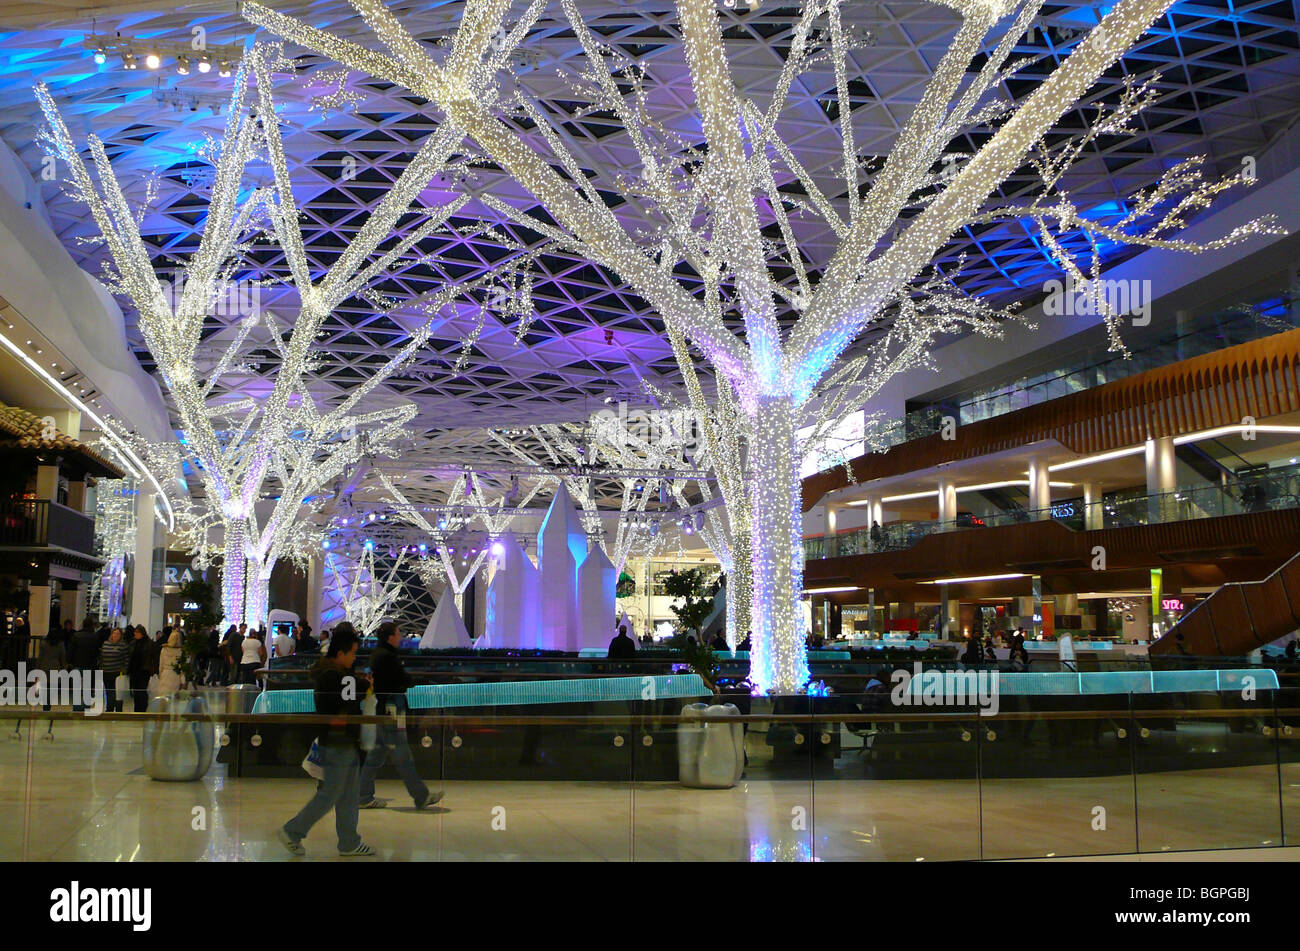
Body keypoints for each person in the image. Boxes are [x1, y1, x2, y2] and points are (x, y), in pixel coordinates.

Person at [278, 622, 375, 857]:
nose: (354, 658)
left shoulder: (331, 672)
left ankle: (349, 841)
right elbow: (348, 700)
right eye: (352, 653)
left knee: (348, 793)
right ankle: (293, 831)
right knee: (330, 793)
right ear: (340, 653)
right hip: (338, 741)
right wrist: (363, 684)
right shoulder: (335, 675)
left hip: (341, 741)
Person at [359, 621, 439, 810]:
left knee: (376, 754)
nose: (400, 637)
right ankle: (421, 796)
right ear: (390, 636)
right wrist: (411, 681)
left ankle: (363, 795)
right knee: (402, 753)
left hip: (384, 708)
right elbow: (399, 679)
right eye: (397, 633)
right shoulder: (387, 656)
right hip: (391, 708)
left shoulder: (379, 654)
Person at [68, 620, 102, 712]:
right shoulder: (95, 637)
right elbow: (96, 652)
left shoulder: (76, 636)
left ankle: (77, 707)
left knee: (77, 688)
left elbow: (71, 651)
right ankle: (86, 706)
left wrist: (70, 662)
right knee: (87, 688)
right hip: (90, 665)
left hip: (77, 664)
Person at [98, 628, 129, 713]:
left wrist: (124, 669)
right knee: (109, 691)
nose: (115, 635)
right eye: (114, 633)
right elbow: (101, 657)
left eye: (118, 634)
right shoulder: (106, 643)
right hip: (106, 671)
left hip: (117, 672)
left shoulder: (123, 645)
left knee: (117, 692)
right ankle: (109, 708)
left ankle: (118, 709)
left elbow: (126, 659)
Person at [127, 626, 152, 712]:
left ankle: (143, 709)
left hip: (144, 671)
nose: (135, 634)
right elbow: (129, 656)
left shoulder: (148, 643)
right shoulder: (133, 643)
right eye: (135, 632)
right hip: (134, 671)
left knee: (142, 691)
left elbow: (150, 657)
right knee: (136, 691)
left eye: (137, 632)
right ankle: (137, 709)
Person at [157, 629, 184, 694]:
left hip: (165, 674)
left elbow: (161, 664)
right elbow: (182, 667)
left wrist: (160, 674)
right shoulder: (181, 651)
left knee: (163, 695)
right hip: (175, 675)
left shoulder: (164, 649)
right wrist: (182, 681)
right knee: (173, 696)